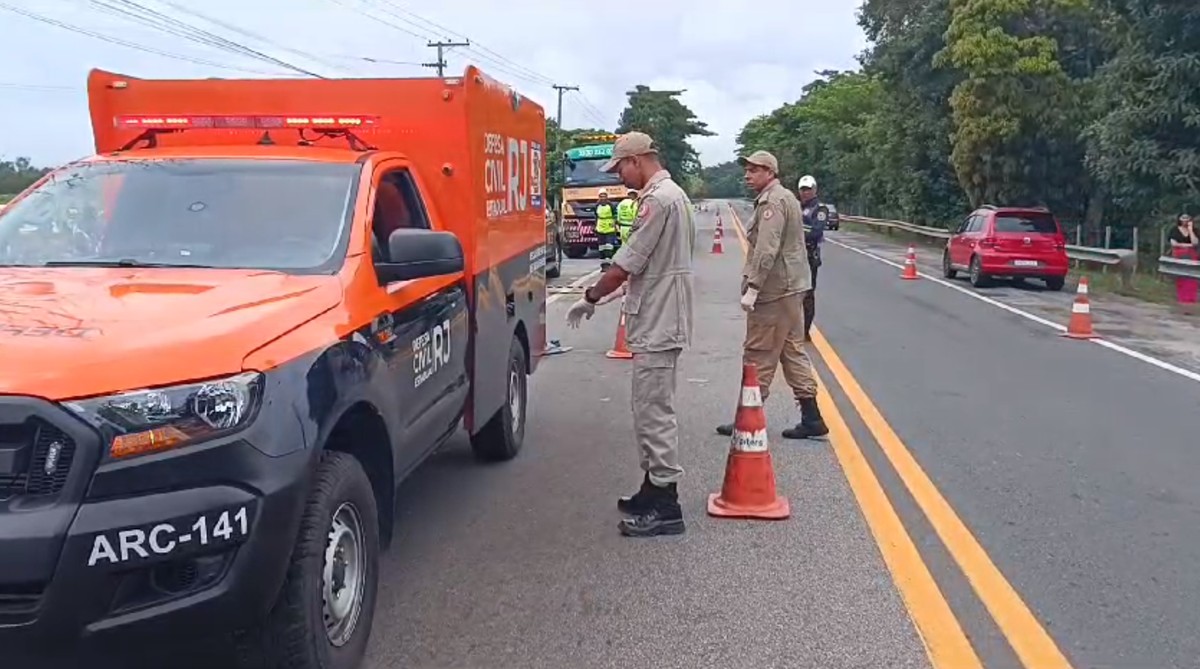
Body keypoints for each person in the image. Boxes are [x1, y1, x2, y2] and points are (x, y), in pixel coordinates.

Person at [566, 131, 695, 538]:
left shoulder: (657, 201)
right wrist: (607, 297)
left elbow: (626, 264)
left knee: (654, 412)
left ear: (638, 160)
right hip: (659, 313)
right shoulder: (673, 195)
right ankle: (650, 488)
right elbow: (646, 267)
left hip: (659, 320)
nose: (618, 176)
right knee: (648, 408)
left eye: (620, 167)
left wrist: (590, 295)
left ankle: (666, 503)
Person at [715, 152, 828, 441]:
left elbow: (767, 249)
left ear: (769, 172)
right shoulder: (787, 197)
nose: (747, 175)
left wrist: (753, 287)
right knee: (792, 351)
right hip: (792, 288)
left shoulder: (772, 202)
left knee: (758, 351)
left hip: (775, 290)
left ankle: (748, 416)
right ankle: (811, 416)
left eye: (753, 170)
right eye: (747, 170)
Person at [797, 175, 826, 342]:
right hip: (794, 254)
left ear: (814, 190)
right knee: (792, 293)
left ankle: (805, 330)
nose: (805, 192)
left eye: (808, 189)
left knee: (808, 293)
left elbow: (816, 232)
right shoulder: (796, 206)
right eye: (803, 189)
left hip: (809, 255)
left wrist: (797, 232)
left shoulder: (820, 209)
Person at [1168, 213, 1199, 305]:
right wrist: (1188, 245)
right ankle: (1182, 298)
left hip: (1192, 256)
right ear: (1179, 219)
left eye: (1187, 218)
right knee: (1181, 277)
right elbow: (1174, 243)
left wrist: (1190, 230)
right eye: (1183, 218)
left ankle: (1191, 299)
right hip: (1179, 255)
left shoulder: (1195, 230)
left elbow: (1195, 243)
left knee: (1192, 277)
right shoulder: (1174, 230)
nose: (1185, 220)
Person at [594, 190, 618, 267]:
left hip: (609, 228)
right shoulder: (597, 205)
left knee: (609, 247)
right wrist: (595, 227)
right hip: (600, 228)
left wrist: (615, 225)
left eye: (604, 196)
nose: (603, 198)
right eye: (601, 196)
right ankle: (603, 265)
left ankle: (608, 264)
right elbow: (596, 216)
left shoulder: (611, 205)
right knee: (601, 248)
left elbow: (615, 215)